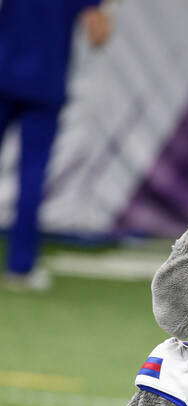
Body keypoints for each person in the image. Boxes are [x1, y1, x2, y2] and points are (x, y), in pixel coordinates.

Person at [0, 0, 112, 290]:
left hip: (4, 71)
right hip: (45, 82)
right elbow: (98, 35)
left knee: (32, 176)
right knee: (32, 176)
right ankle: (20, 267)